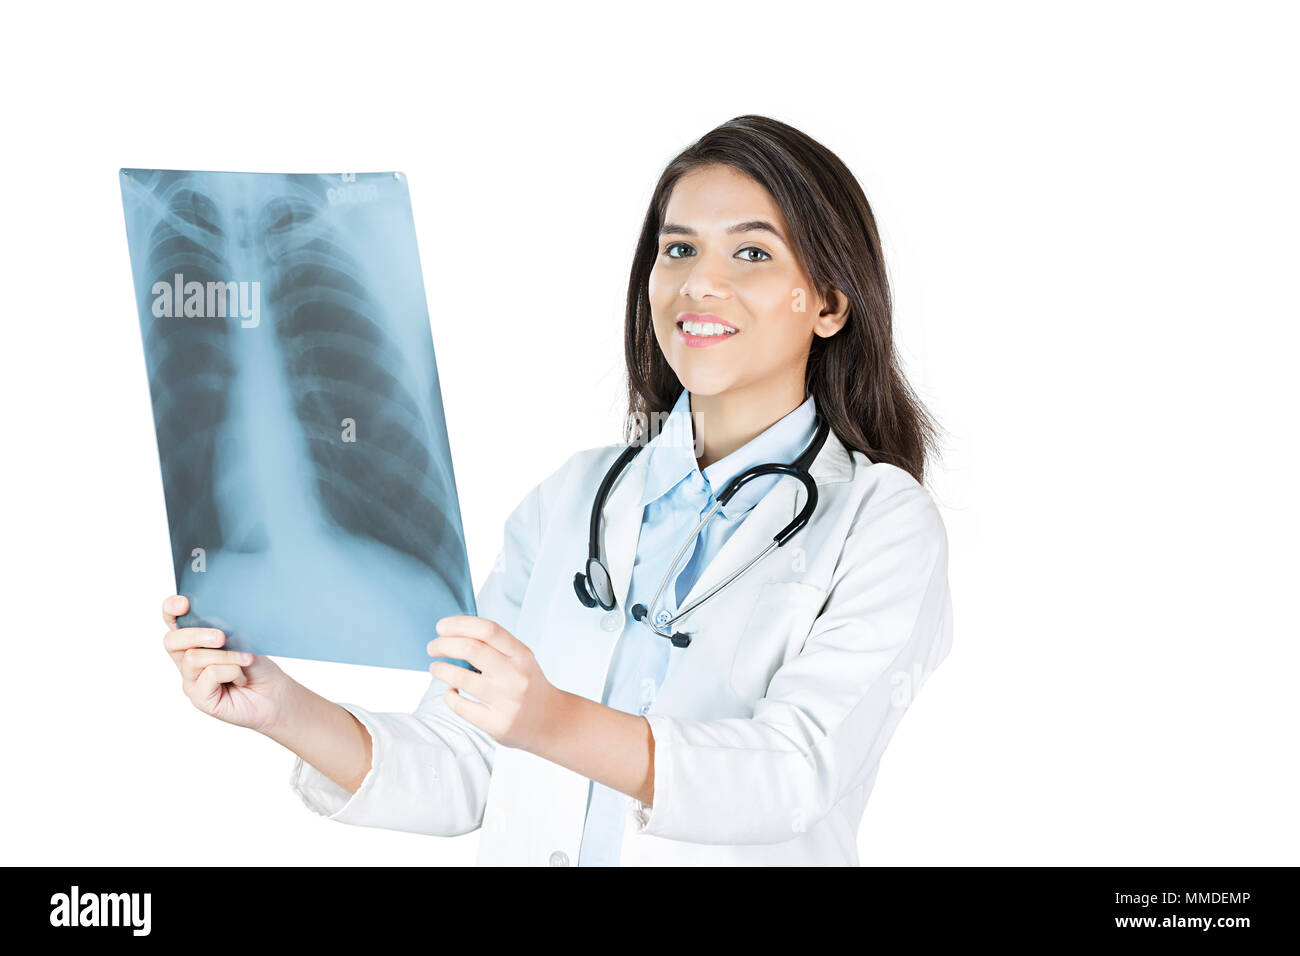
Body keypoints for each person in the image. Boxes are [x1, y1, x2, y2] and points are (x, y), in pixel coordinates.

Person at [161, 114, 954, 866]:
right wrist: (282, 707)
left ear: (828, 303)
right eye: (677, 250)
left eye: (751, 255)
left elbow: (795, 771)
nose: (699, 284)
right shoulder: (576, 497)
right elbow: (465, 760)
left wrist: (551, 720)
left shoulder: (879, 522)